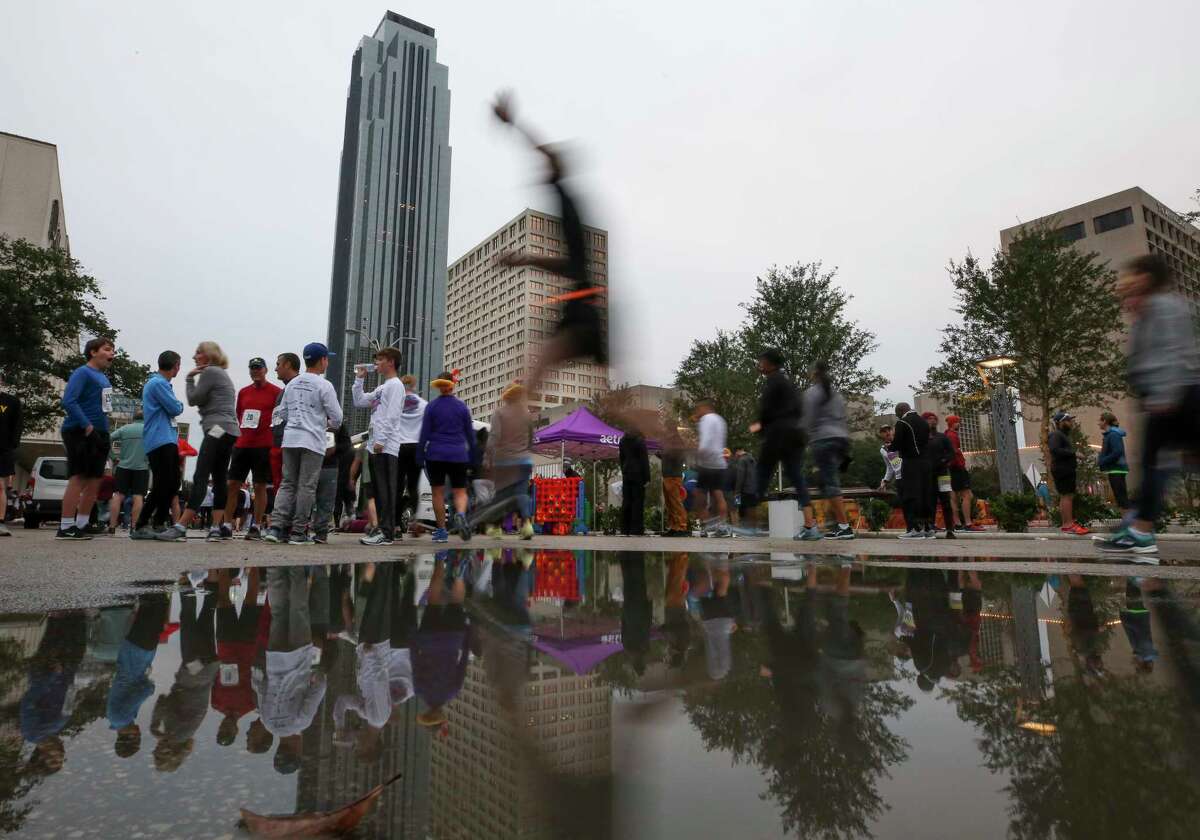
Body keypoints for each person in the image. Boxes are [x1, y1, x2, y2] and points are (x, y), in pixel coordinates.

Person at [492, 92, 607, 393]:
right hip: (585, 302)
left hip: (581, 304)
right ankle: (664, 436)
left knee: (536, 369)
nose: (539, 171)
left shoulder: (565, 200)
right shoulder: (567, 201)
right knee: (539, 370)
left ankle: (513, 436)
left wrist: (524, 259)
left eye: (545, 167)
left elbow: (570, 264)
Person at [1099, 255, 1200, 557]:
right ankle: (1140, 529)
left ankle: (1140, 531)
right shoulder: (1149, 309)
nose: (1128, 282)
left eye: (1134, 275)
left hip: (1178, 397)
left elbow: (1172, 351)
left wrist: (1163, 396)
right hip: (1168, 397)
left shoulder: (1165, 306)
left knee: (1155, 463)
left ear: (1147, 276)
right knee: (1158, 464)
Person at [159, 342, 241, 543]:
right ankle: (215, 527)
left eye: (198, 353)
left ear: (208, 355)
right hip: (230, 429)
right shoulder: (222, 373)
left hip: (217, 428)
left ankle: (181, 525)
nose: (194, 356)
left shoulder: (211, 372)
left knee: (201, 474)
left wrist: (189, 378)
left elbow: (194, 399)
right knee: (220, 477)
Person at [265, 343, 343, 545]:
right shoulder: (324, 385)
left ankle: (276, 527)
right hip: (312, 441)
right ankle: (298, 532)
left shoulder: (293, 383)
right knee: (306, 487)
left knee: (287, 483)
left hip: (290, 439)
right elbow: (337, 418)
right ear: (322, 360)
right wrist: (325, 423)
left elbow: (280, 412)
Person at [747, 349, 818, 539]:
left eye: (762, 361)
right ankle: (810, 526)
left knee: (761, 475)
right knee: (797, 478)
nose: (760, 364)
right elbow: (799, 409)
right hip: (795, 435)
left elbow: (766, 411)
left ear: (770, 363)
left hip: (777, 435)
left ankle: (750, 526)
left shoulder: (772, 382)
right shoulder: (789, 384)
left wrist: (758, 428)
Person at [56, 337, 115, 540]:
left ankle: (82, 523)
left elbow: (105, 408)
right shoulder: (83, 372)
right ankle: (65, 526)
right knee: (79, 476)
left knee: (95, 479)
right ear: (93, 352)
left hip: (100, 433)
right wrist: (87, 425)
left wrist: (103, 432)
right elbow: (69, 401)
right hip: (79, 431)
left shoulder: (105, 379)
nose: (111, 354)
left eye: (113, 351)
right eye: (107, 350)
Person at [224, 357, 281, 541]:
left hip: (263, 445)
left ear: (265, 370)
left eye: (258, 368)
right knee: (233, 484)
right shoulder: (243, 392)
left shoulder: (276, 392)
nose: (255, 371)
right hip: (242, 444)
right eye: (252, 368)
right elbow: (239, 415)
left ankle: (256, 525)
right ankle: (226, 524)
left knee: (260, 485)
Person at [353, 348, 406, 546]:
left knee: (386, 490)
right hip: (376, 444)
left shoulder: (395, 386)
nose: (377, 363)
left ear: (391, 362)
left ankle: (386, 531)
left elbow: (392, 415)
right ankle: (382, 529)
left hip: (386, 446)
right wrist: (359, 380)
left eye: (381, 359)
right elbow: (360, 401)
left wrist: (381, 441)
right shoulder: (383, 387)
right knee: (378, 489)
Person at [416, 372, 477, 543]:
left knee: (438, 493)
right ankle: (461, 514)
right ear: (452, 385)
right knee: (460, 491)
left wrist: (420, 455)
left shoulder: (432, 407)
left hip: (435, 454)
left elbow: (424, 434)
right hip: (458, 454)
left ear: (439, 386)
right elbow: (470, 436)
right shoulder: (462, 407)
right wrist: (473, 457)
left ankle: (442, 530)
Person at [130, 353, 185, 539]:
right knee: (163, 483)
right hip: (160, 439)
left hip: (165, 438)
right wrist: (180, 404)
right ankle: (142, 524)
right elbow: (175, 408)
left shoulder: (158, 383)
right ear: (176, 365)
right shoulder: (158, 384)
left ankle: (159, 521)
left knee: (172, 482)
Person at [803, 362, 854, 540]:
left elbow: (808, 420)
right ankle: (837, 522)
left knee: (830, 483)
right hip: (841, 439)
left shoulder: (812, 393)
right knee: (826, 482)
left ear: (813, 374)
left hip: (823, 439)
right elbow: (842, 417)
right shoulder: (836, 394)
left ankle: (843, 525)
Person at [478, 383, 536, 539]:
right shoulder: (526, 414)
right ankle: (527, 525)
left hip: (503, 462)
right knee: (522, 493)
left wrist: (487, 457)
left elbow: (494, 437)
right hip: (523, 461)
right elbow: (532, 439)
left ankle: (496, 528)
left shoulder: (499, 413)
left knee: (501, 496)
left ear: (506, 396)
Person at [268, 353, 301, 516]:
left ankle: (289, 523)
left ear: (287, 365)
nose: (276, 368)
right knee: (279, 485)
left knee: (289, 485)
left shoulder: (299, 387)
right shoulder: (284, 390)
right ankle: (280, 521)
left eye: (278, 364)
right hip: (278, 443)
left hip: (290, 444)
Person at [893, 402, 932, 539]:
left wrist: (890, 448)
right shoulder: (924, 422)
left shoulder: (902, 423)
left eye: (897, 413)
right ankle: (928, 528)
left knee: (911, 494)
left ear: (901, 410)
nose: (897, 415)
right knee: (925, 493)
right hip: (926, 463)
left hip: (911, 462)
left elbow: (897, 443)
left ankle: (915, 529)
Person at [692, 400, 730, 537]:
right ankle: (722, 525)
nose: (697, 412)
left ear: (705, 408)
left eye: (699, 409)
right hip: (719, 463)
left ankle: (705, 526)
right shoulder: (721, 420)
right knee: (718, 494)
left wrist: (698, 452)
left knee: (699, 495)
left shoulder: (706, 420)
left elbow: (706, 441)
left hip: (707, 463)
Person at [395, 374, 427, 533]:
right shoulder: (424, 405)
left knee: (397, 486)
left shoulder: (396, 403)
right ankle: (414, 518)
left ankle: (394, 525)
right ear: (414, 385)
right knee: (413, 486)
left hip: (399, 446)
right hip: (416, 447)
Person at [107, 411, 149, 533]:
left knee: (118, 495)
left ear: (133, 418)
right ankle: (134, 527)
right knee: (138, 497)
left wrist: (113, 456)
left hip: (123, 466)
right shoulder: (148, 429)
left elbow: (107, 439)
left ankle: (112, 526)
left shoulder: (125, 428)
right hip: (142, 467)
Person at [1048, 411, 1088, 536]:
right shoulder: (1056, 435)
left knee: (1065, 496)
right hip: (1063, 469)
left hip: (1064, 469)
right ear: (1060, 423)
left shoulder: (1061, 435)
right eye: (1068, 420)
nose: (1071, 423)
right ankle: (1069, 524)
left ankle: (1067, 524)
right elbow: (1055, 449)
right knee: (1067, 496)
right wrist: (1074, 453)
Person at [311, 423, 352, 544]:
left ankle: (321, 532)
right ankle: (301, 529)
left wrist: (334, 449)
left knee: (326, 501)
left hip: (330, 466)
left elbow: (346, 444)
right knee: (306, 497)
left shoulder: (336, 421)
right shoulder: (309, 414)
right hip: (310, 463)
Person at [944, 415, 982, 531]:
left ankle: (957, 523)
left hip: (950, 469)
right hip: (957, 468)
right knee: (967, 495)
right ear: (952, 423)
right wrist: (960, 464)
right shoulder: (952, 436)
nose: (959, 424)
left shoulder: (946, 435)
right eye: (957, 422)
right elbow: (954, 453)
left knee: (953, 496)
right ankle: (968, 523)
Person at [923, 412, 956, 539]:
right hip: (928, 475)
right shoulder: (921, 439)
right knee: (929, 502)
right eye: (929, 419)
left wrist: (944, 461)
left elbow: (951, 453)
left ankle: (950, 529)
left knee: (946, 501)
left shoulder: (943, 437)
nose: (932, 421)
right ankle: (930, 527)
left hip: (943, 475)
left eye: (934, 419)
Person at [0, 375, 22, 537]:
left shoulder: (11, 402)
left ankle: (0, 522)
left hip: (3, 449)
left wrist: (11, 446)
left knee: (0, 487)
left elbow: (17, 426)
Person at [1097, 411, 1130, 512]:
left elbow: (1117, 451)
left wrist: (1103, 460)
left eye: (1100, 421)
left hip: (1117, 469)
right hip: (1115, 469)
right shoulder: (1111, 435)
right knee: (1120, 497)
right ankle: (1127, 523)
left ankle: (1128, 524)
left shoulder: (1113, 435)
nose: (1098, 423)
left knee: (1121, 498)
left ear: (1105, 421)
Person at [619, 429, 650, 536]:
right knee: (638, 502)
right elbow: (644, 460)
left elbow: (621, 458)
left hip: (626, 472)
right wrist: (647, 478)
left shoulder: (622, 441)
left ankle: (625, 529)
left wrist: (623, 471)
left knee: (626, 501)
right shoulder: (640, 441)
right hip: (638, 474)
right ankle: (636, 529)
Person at [660, 432, 689, 536]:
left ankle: (682, 527)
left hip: (673, 475)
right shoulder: (669, 441)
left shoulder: (677, 442)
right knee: (669, 503)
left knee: (675, 502)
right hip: (668, 475)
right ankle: (673, 526)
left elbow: (677, 457)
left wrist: (664, 452)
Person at [730, 448, 757, 526]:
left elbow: (740, 477)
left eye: (736, 455)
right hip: (753, 489)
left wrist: (737, 491)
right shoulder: (753, 459)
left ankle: (744, 528)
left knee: (740, 508)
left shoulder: (742, 460)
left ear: (738, 452)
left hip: (744, 490)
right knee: (752, 508)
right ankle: (753, 528)